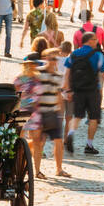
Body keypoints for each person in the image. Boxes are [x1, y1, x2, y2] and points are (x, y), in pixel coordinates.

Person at [64, 28, 104, 155]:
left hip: (77, 90)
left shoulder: (73, 54)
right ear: (89, 41)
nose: (97, 41)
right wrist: (101, 90)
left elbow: (67, 73)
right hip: (93, 90)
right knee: (93, 117)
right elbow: (101, 74)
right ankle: (89, 145)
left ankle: (71, 133)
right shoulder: (98, 55)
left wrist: (68, 89)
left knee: (77, 116)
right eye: (95, 39)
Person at [30, 47, 69, 179]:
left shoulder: (58, 76)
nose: (54, 61)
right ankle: (37, 171)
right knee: (38, 143)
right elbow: (32, 93)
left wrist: (60, 112)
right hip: (40, 113)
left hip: (52, 112)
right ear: (46, 59)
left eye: (56, 59)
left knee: (58, 141)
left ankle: (59, 169)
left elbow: (58, 94)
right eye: (52, 58)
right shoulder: (38, 74)